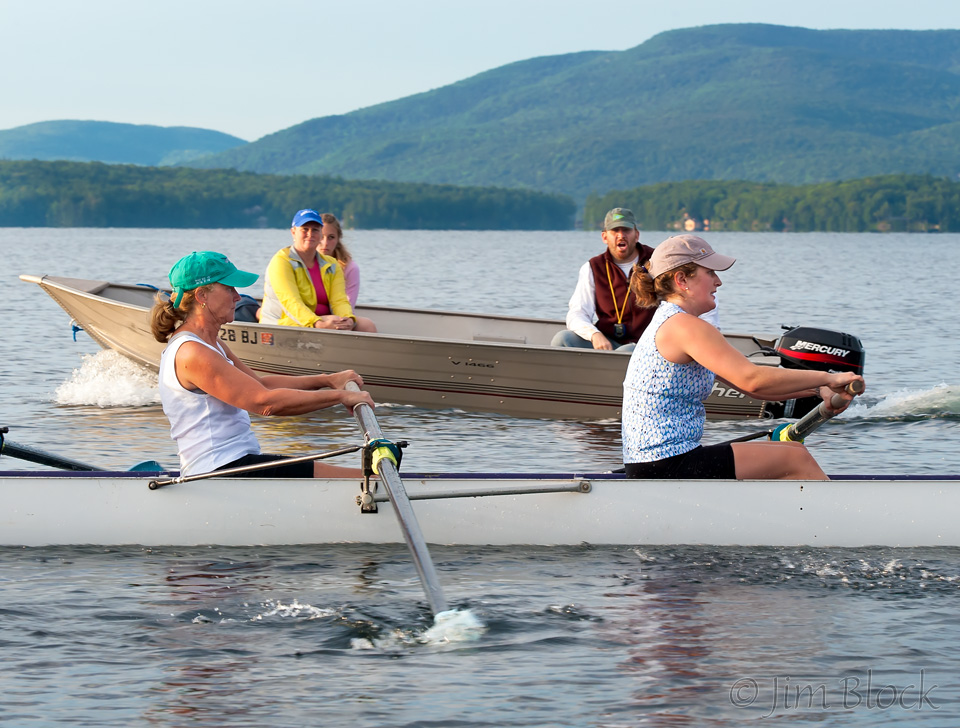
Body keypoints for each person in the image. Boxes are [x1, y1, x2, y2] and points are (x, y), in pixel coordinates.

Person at [622, 234, 864, 481]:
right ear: (682, 279)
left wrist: (818, 389)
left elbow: (752, 389)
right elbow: (753, 379)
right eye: (711, 273)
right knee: (795, 458)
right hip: (664, 462)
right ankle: (835, 518)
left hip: (657, 461)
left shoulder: (675, 322)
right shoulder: (683, 326)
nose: (718, 282)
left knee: (788, 452)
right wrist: (828, 377)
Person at [150, 250, 375, 478]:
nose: (238, 297)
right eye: (229, 289)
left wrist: (328, 380)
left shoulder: (210, 342)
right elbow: (264, 403)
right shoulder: (192, 352)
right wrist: (340, 397)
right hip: (216, 471)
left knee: (353, 474)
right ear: (202, 296)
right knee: (363, 478)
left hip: (235, 462)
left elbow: (261, 385)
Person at [551, 208, 720, 352]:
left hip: (652, 345)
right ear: (604, 237)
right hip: (608, 343)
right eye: (614, 231)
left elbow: (692, 295)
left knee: (627, 351)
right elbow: (577, 314)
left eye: (626, 230)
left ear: (636, 234)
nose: (620, 235)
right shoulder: (592, 268)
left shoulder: (658, 261)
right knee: (563, 338)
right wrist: (595, 335)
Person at [259, 209, 377, 332]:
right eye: (305, 229)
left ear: (320, 234)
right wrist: (318, 323)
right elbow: (291, 303)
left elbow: (339, 300)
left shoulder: (331, 264)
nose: (310, 234)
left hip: (320, 319)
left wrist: (348, 319)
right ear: (293, 232)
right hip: (284, 322)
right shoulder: (282, 261)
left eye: (315, 229)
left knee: (366, 326)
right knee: (331, 323)